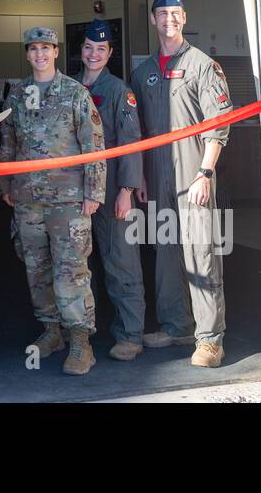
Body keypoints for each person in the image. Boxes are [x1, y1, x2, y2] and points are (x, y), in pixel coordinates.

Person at [129, 0, 233, 368]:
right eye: (162, 14)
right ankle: (177, 326)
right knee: (166, 255)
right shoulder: (143, 73)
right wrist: (139, 175)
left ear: (184, 19)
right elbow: (136, 131)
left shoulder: (204, 65)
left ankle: (210, 340)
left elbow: (217, 124)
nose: (169, 19)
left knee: (201, 254)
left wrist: (205, 172)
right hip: (157, 179)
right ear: (153, 20)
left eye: (175, 13)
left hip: (193, 177)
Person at [0, 27, 105, 376]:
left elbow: (94, 146)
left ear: (56, 52)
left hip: (68, 201)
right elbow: (8, 142)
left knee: (71, 271)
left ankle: (80, 341)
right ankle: (52, 330)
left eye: (46, 48)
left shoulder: (74, 93)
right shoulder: (17, 93)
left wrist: (94, 193)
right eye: (33, 49)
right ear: (27, 54)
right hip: (28, 199)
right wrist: (5, 185)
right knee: (37, 269)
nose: (40, 55)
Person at [74, 18, 147, 361]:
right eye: (89, 47)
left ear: (110, 53)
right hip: (76, 192)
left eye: (100, 49)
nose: (93, 54)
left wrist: (127, 190)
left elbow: (131, 142)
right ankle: (79, 335)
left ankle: (130, 335)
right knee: (75, 266)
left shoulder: (120, 91)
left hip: (112, 188)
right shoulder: (69, 88)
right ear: (81, 50)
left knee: (121, 262)